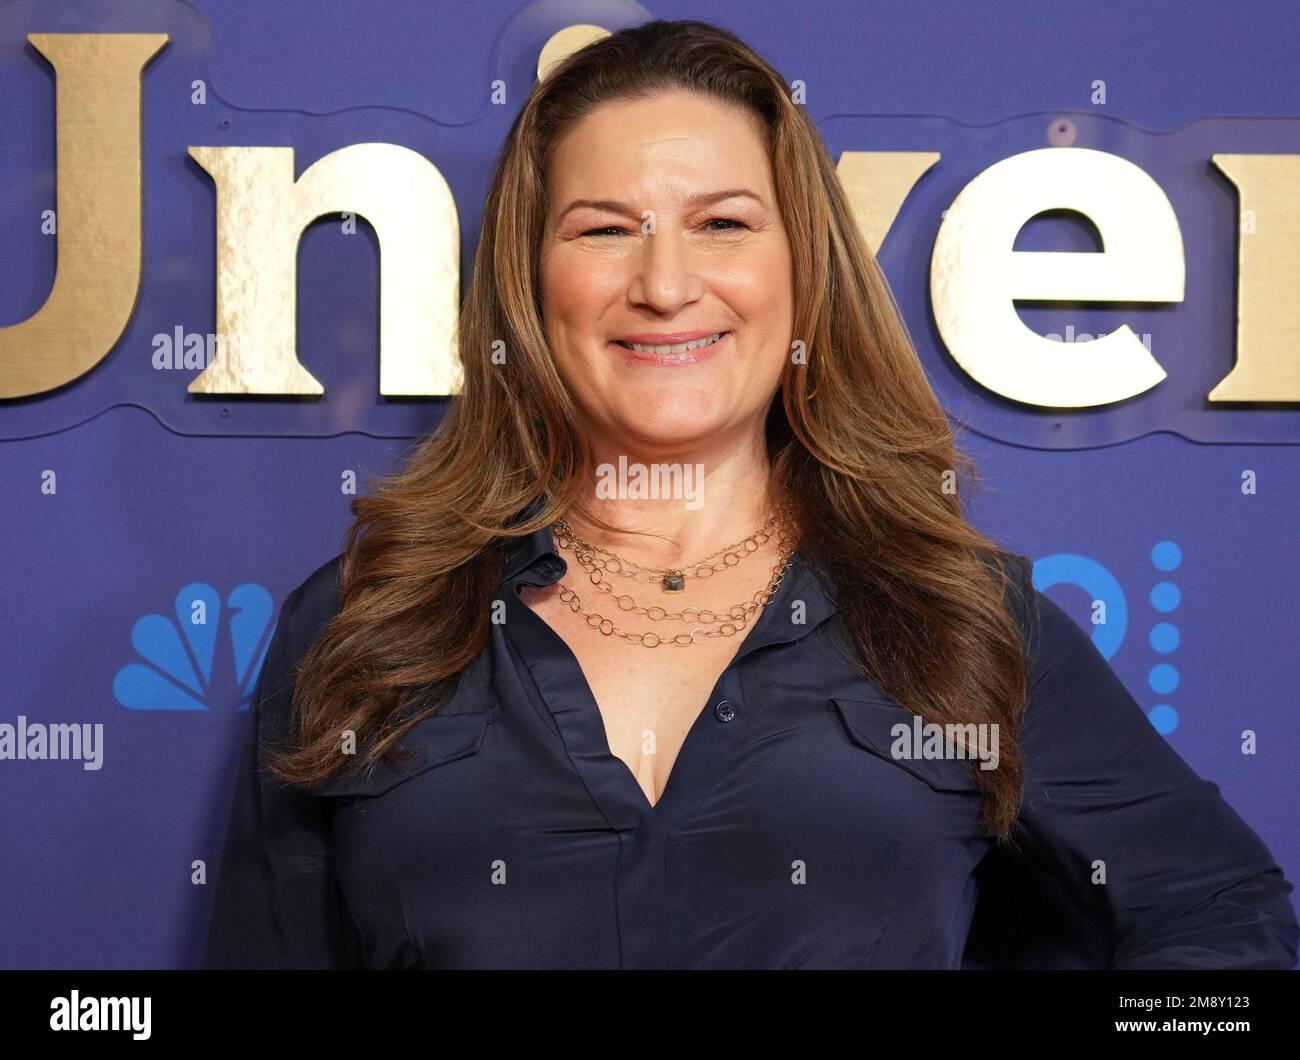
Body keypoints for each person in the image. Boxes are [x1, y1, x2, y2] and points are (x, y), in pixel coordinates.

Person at [202, 19, 1297, 969]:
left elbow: (1223, 912)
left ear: (800, 269)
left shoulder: (956, 621)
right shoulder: (366, 625)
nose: (666, 283)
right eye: (602, 227)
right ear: (529, 283)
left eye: (722, 222)